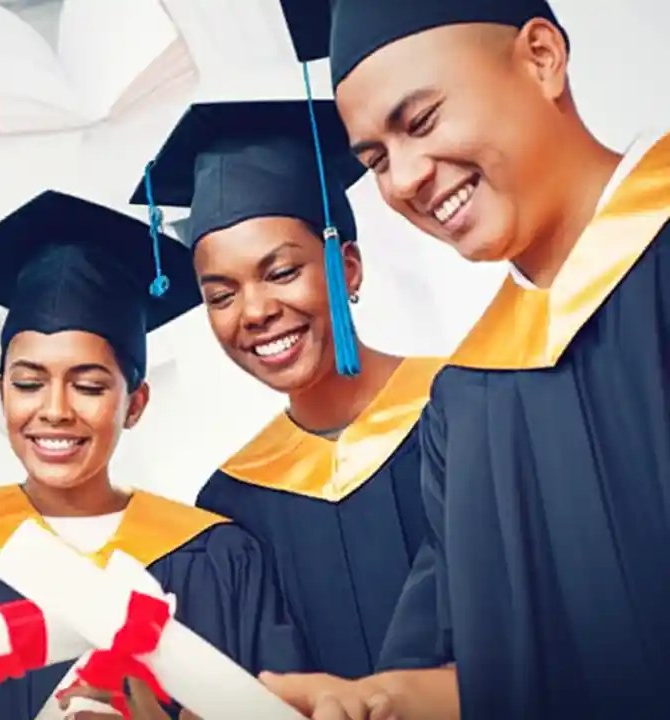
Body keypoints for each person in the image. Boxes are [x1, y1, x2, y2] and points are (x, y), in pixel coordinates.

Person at [262, 0, 670, 718]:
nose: (405, 178)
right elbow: (488, 675)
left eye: (420, 122)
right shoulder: (470, 400)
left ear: (542, 57)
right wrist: (370, 700)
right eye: (376, 159)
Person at [0, 190, 308, 719]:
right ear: (1, 388)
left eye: (90, 387)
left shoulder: (221, 560)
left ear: (135, 403)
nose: (54, 410)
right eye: (28, 383)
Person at [138, 98, 443, 679]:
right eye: (221, 295)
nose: (254, 311)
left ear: (347, 267)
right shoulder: (233, 506)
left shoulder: (465, 409)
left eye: (281, 272)